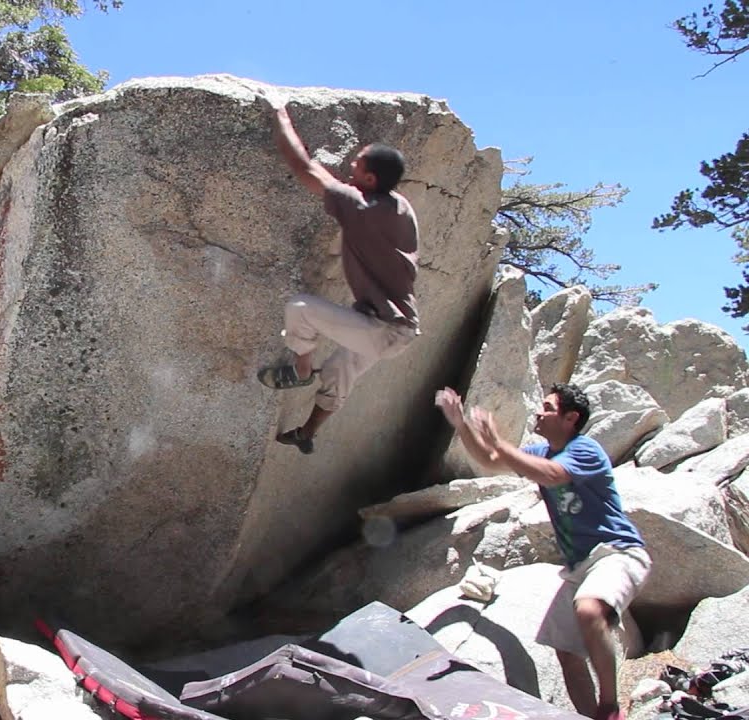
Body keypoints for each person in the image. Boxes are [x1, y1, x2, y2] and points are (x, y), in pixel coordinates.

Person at [435, 383, 651, 720]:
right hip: (580, 565)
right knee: (566, 652)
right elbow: (491, 460)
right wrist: (461, 424)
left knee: (589, 611)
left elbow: (552, 476)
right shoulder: (542, 451)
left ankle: (610, 708)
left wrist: (498, 442)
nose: (539, 412)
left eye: (548, 408)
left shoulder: (585, 450)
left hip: (617, 552)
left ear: (571, 418)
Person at [254, 92, 420, 455]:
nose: (350, 166)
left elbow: (304, 167)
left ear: (371, 179)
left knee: (300, 308)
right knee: (339, 371)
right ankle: (306, 433)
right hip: (399, 330)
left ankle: (300, 371)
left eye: (357, 164)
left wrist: (279, 112)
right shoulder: (400, 206)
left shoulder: (360, 206)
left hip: (382, 329)